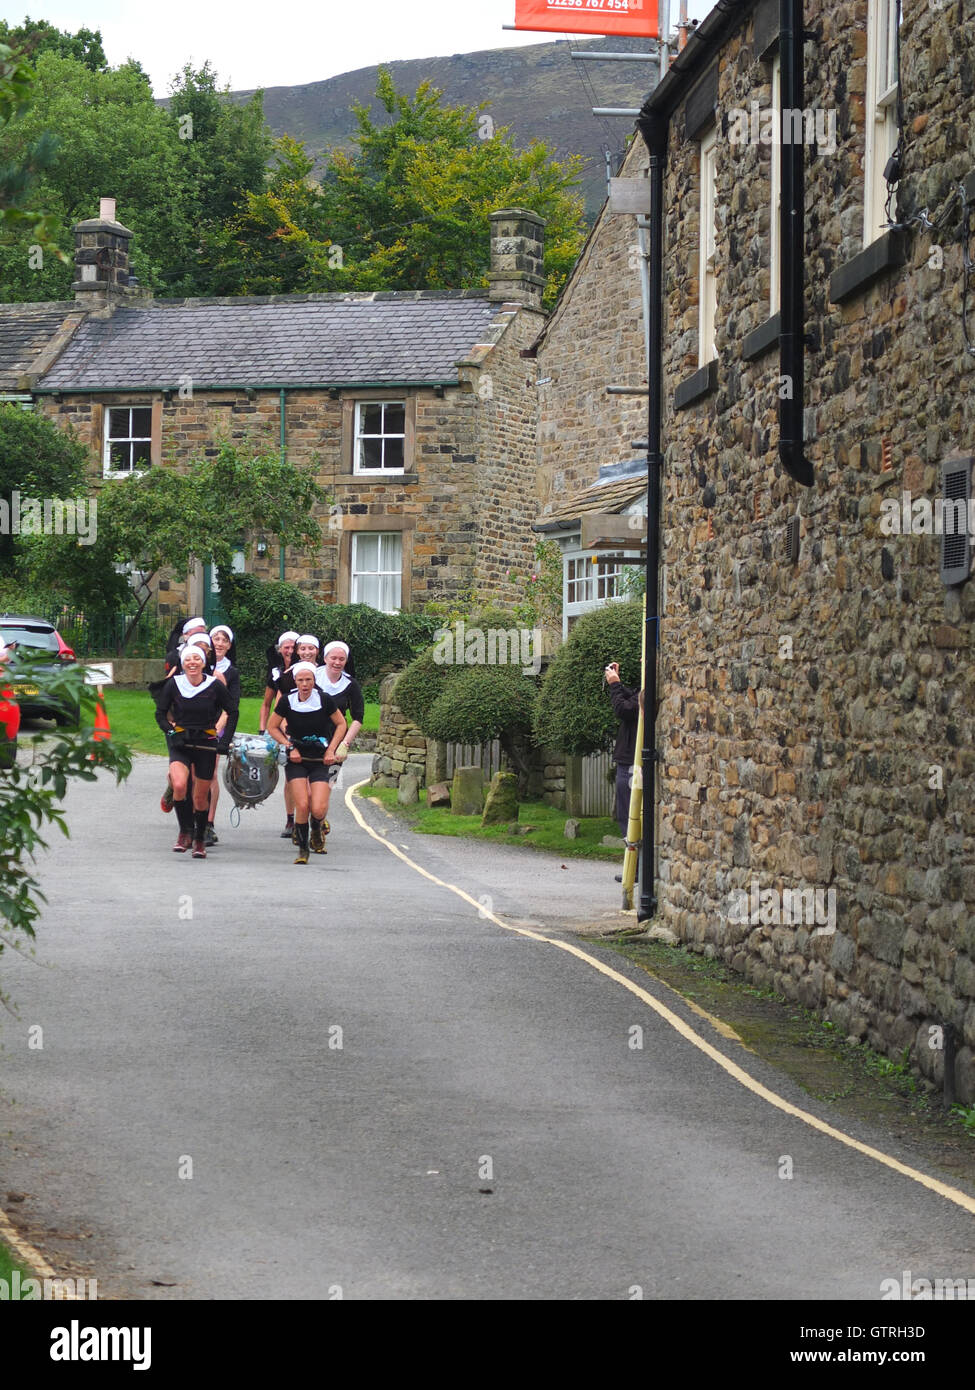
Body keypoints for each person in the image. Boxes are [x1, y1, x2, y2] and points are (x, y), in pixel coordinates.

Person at [154, 644, 238, 858]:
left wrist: (224, 741)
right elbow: (161, 714)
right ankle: (185, 832)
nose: (192, 662)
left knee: (200, 797)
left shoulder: (214, 685)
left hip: (206, 744)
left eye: (196, 659)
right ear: (183, 663)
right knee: (180, 785)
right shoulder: (174, 684)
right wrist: (172, 733)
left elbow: (233, 711)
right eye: (188, 659)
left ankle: (199, 838)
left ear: (203, 662)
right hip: (181, 742)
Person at [267, 661, 347, 864]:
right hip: (297, 759)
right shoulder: (287, 701)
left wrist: (332, 749)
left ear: (314, 681)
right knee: (302, 804)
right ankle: (303, 851)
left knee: (318, 808)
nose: (304, 684)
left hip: (322, 759)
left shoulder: (325, 700)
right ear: (295, 681)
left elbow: (341, 724)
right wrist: (289, 746)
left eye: (308, 680)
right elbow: (272, 727)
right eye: (301, 680)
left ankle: (317, 828)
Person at [314, 640, 363, 844]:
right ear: (325, 658)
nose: (337, 662)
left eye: (341, 659)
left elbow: (358, 718)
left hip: (336, 741)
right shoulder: (311, 678)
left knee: (327, 785)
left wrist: (345, 744)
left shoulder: (350, 684)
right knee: (309, 787)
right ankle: (311, 820)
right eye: (333, 658)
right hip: (311, 737)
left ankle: (317, 822)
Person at [259, 630, 299, 838]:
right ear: (280, 649)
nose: (290, 651)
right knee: (290, 776)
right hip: (281, 730)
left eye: (294, 647)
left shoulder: (307, 672)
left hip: (303, 728)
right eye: (287, 647)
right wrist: (263, 729)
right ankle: (291, 819)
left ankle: (314, 818)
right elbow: (267, 704)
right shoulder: (275, 674)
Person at [204, 624, 241, 846]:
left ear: (229, 645)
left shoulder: (231, 672)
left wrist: (219, 727)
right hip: (193, 724)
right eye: (215, 638)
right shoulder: (197, 664)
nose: (219, 643)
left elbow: (232, 705)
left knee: (210, 775)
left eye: (224, 640)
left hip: (218, 724)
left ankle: (209, 823)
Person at [604, 660, 641, 840]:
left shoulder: (649, 689)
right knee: (626, 814)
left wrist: (615, 686)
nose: (641, 660)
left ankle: (635, 867)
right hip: (629, 761)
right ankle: (634, 865)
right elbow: (633, 699)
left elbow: (625, 709)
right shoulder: (645, 689)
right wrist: (618, 682)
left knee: (628, 816)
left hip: (631, 763)